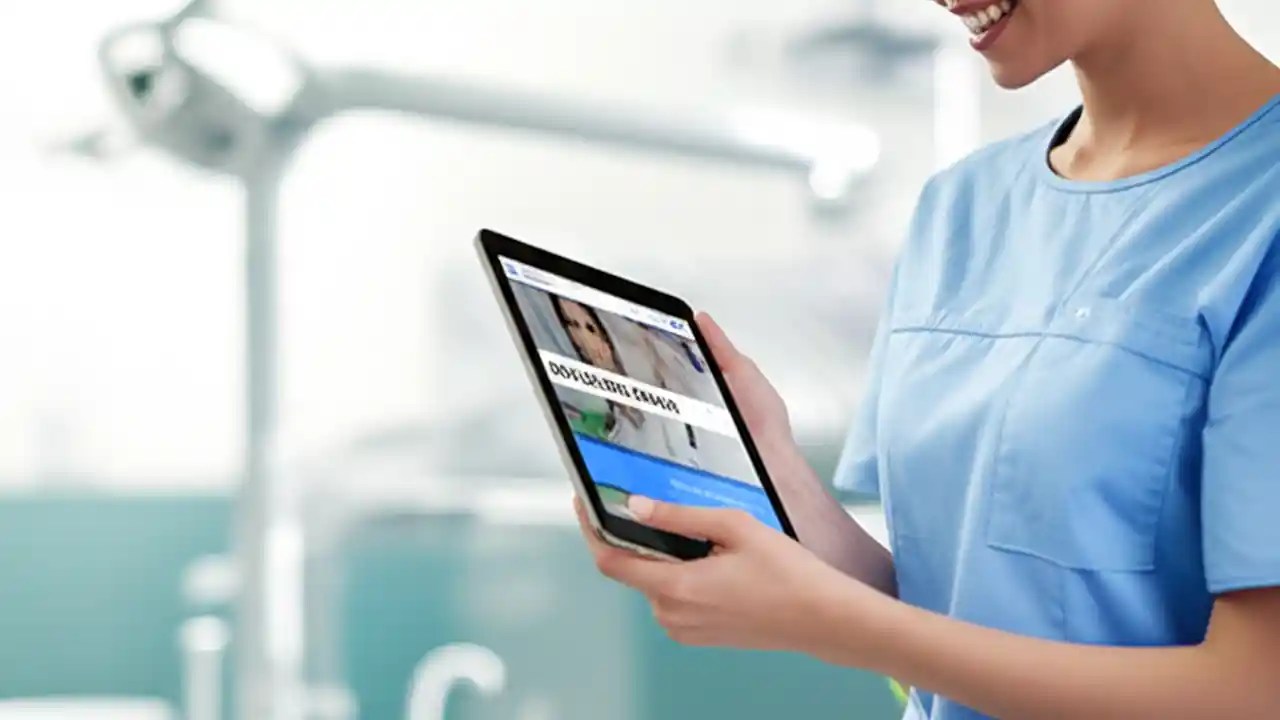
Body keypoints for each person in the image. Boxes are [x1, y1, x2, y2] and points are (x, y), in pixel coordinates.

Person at [575, 1, 1280, 717]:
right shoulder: (961, 206)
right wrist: (785, 485)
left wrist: (830, 624)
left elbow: (1255, 690)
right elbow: (943, 618)